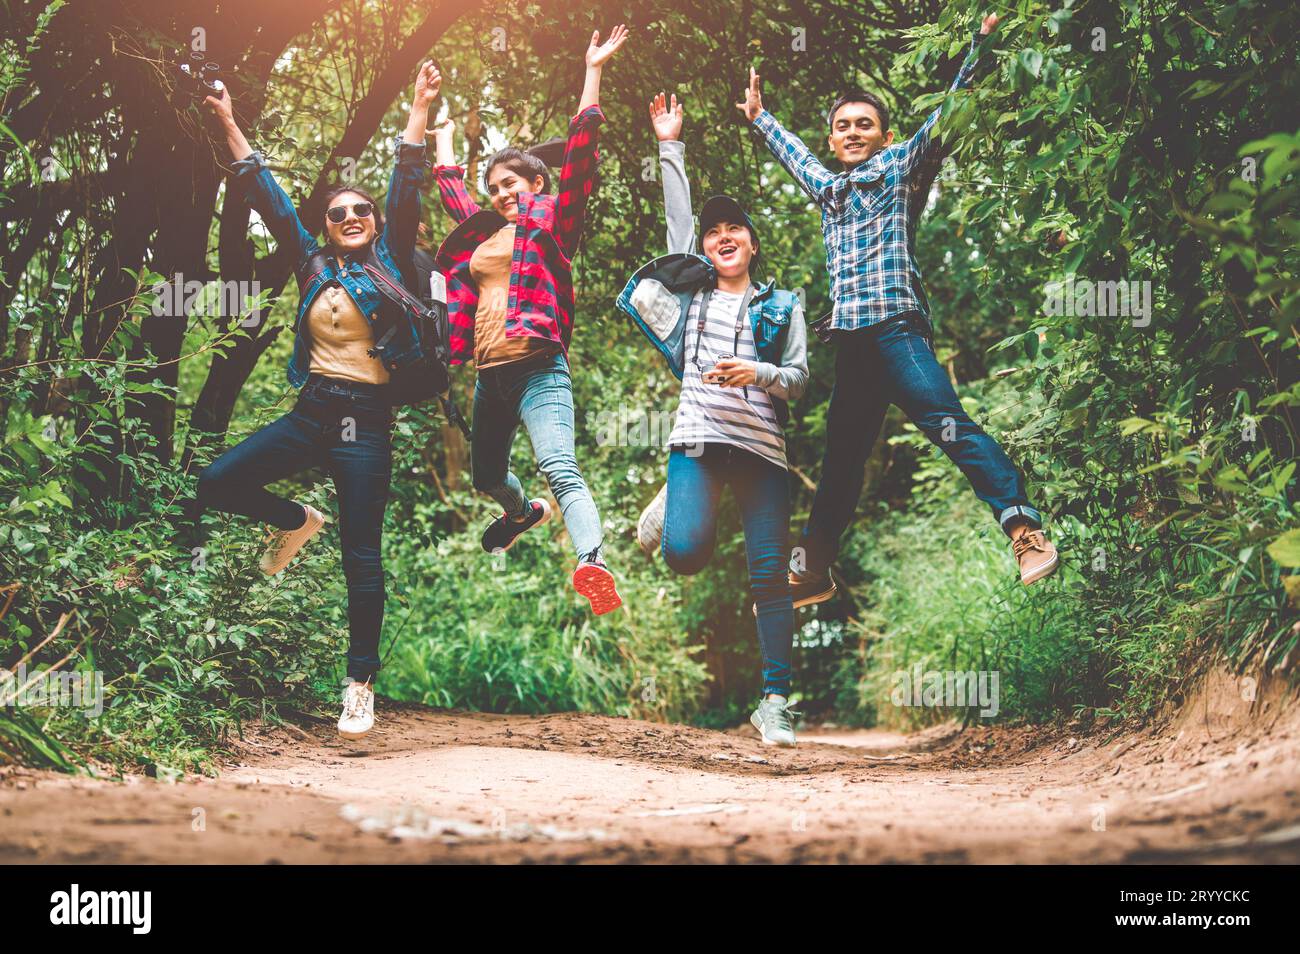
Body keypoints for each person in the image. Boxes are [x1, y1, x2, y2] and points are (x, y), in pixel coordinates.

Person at [737, 13, 1059, 607]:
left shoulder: (899, 168)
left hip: (898, 335)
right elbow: (795, 158)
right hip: (853, 350)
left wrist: (981, 45)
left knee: (947, 423)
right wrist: (760, 119)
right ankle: (813, 570)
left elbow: (948, 117)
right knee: (840, 462)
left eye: (865, 124)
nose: (853, 132)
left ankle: (1024, 528)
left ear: (884, 136)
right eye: (843, 127)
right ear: (833, 140)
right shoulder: (829, 190)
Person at [197, 62, 442, 739]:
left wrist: (419, 104)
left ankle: (359, 685)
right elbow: (267, 191)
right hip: (312, 411)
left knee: (362, 554)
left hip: (366, 420)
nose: (354, 216)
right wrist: (225, 117)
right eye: (340, 213)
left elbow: (406, 182)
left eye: (362, 209)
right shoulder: (311, 264)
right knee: (217, 480)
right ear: (328, 226)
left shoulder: (389, 260)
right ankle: (297, 517)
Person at [618, 92, 809, 746]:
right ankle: (670, 505)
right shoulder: (695, 294)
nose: (723, 237)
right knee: (686, 553)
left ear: (753, 245)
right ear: (708, 248)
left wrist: (758, 373)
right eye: (714, 232)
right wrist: (669, 144)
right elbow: (676, 230)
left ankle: (776, 703)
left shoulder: (783, 306)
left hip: (762, 454)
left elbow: (801, 383)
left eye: (735, 230)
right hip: (698, 442)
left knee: (768, 575)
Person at [430, 26, 628, 615]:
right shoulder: (485, 234)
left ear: (536, 184)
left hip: (541, 369)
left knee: (559, 465)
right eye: (493, 188)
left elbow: (582, 156)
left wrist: (591, 72)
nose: (500, 194)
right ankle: (523, 514)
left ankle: (592, 561)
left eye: (511, 183)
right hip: (491, 376)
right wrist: (440, 132)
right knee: (486, 477)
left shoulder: (552, 225)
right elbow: (450, 191)